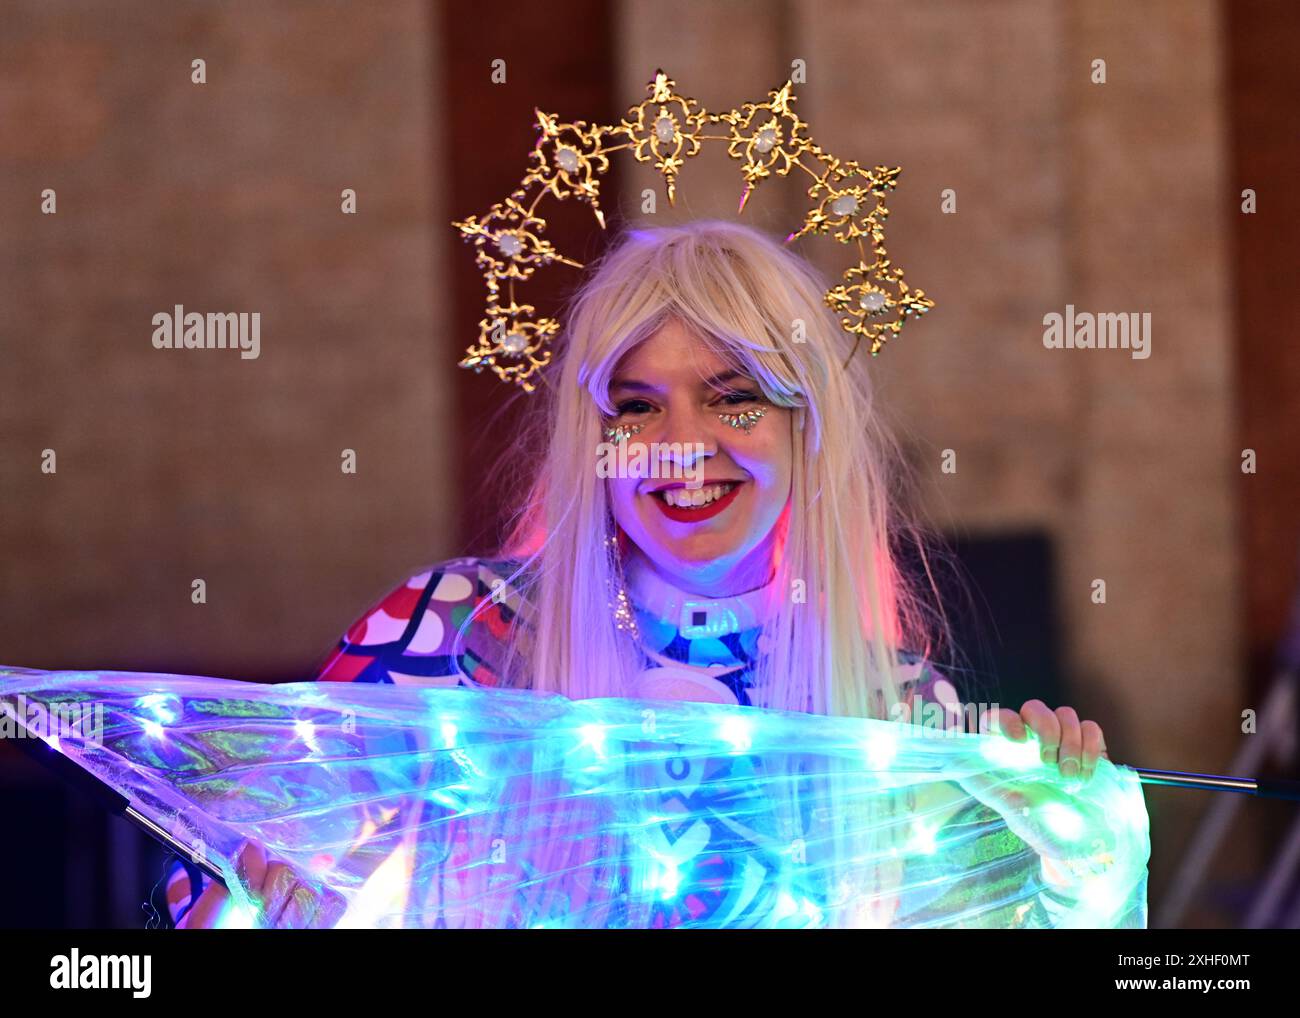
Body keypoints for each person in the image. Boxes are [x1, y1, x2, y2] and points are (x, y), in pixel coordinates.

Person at [171, 219, 1109, 929]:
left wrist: (1087, 870)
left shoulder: (902, 713)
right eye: (637, 406)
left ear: (805, 429)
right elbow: (195, 888)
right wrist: (247, 911)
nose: (681, 448)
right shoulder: (451, 636)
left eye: (734, 399)